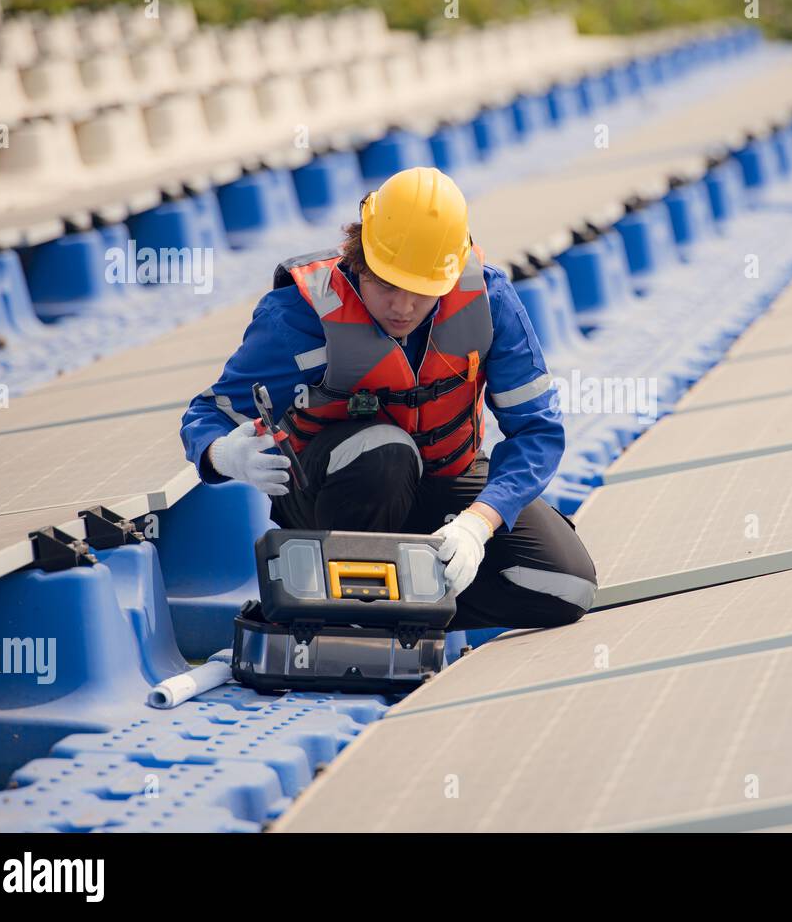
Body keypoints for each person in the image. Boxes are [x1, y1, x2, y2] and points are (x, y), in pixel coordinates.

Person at [180, 166, 596, 630]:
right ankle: (351, 612)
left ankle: (395, 604)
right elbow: (207, 415)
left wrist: (477, 524)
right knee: (385, 451)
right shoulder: (297, 316)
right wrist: (224, 454)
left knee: (564, 586)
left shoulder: (491, 300)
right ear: (359, 258)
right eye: (386, 284)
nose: (402, 307)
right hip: (340, 491)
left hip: (443, 482)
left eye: (421, 293)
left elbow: (536, 431)